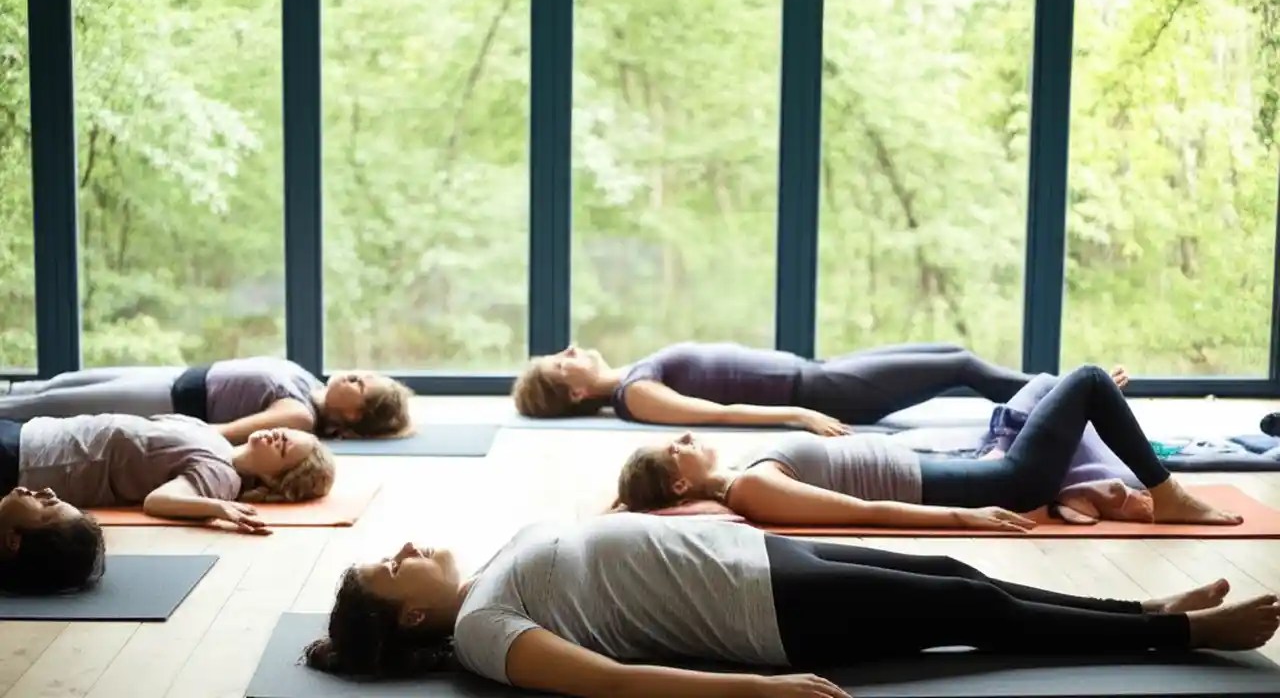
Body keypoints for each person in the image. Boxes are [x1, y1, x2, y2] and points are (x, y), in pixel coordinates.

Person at [301, 513, 1279, 698]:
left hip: (755, 556)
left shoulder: (495, 564)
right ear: (414, 620)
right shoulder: (478, 634)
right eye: (394, 570)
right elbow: (605, 681)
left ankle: (1146, 605)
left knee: (954, 576)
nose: (403, 550)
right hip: (760, 616)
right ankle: (1178, 634)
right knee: (973, 615)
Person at [612, 365, 1241, 530]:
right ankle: (1168, 493)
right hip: (985, 487)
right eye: (678, 450)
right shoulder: (751, 487)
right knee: (1089, 381)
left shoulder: (747, 477)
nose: (689, 439)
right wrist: (967, 516)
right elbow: (864, 515)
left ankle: (1086, 493)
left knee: (1047, 394)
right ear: (679, 487)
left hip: (970, 470)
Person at [0, 413, 336, 593]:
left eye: (283, 448)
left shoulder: (222, 475)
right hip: (39, 434)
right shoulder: (216, 439)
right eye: (285, 433)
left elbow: (158, 501)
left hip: (32, 461)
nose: (277, 435)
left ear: (276, 480)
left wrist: (217, 508)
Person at [512, 341, 1033, 435]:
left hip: (820, 371)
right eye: (562, 364)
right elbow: (714, 415)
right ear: (576, 394)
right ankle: (1061, 395)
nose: (571, 350)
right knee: (960, 364)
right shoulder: (636, 394)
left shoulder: (633, 377)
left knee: (947, 351)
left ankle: (1054, 396)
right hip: (823, 392)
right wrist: (797, 414)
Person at [0, 357, 414, 444]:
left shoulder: (299, 415)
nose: (359, 375)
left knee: (40, 405)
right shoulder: (307, 382)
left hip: (168, 399)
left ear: (354, 416)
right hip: (171, 376)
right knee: (50, 385)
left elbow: (223, 433)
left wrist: (156, 430)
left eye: (364, 386)